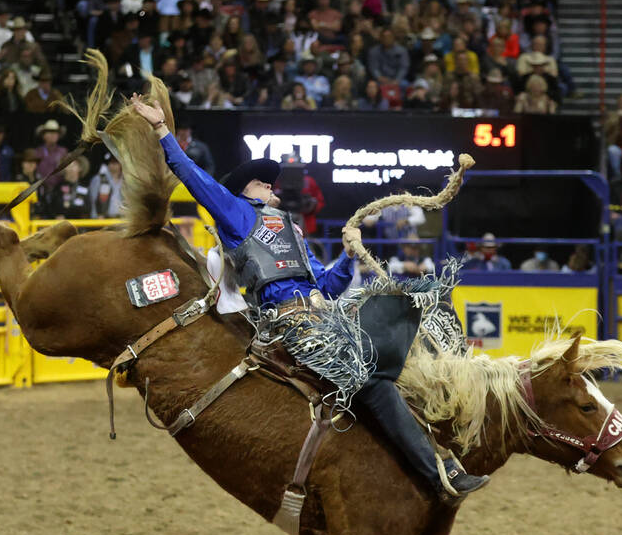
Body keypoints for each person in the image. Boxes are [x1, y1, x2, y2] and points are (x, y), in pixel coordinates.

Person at [130, 92, 488, 504]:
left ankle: (436, 451)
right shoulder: (234, 213)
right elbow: (192, 175)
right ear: (243, 191)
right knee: (371, 379)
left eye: (270, 182)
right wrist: (161, 130)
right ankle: (435, 473)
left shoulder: (290, 231)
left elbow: (328, 285)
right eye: (262, 181)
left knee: (398, 336)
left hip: (321, 319)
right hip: (290, 324)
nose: (271, 184)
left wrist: (348, 255)